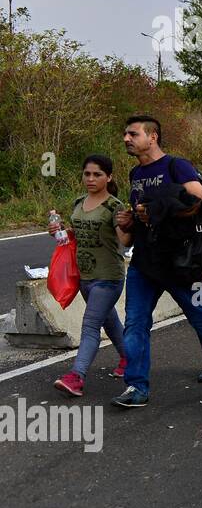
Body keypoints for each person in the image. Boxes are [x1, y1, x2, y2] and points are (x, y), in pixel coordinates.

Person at [111, 115, 202, 408]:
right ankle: (136, 387)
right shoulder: (135, 174)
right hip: (144, 262)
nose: (126, 139)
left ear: (152, 137)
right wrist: (131, 219)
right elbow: (141, 216)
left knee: (198, 312)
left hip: (181, 261)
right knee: (135, 323)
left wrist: (160, 213)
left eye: (133, 134)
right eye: (125, 134)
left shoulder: (177, 166)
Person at [51, 155, 129, 397]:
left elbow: (125, 241)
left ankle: (77, 376)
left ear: (109, 177)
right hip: (84, 276)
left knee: (91, 324)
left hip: (108, 277)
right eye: (87, 174)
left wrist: (130, 224)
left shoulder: (115, 206)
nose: (91, 179)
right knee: (110, 322)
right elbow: (78, 233)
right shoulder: (78, 202)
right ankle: (129, 359)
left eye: (97, 174)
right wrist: (60, 231)